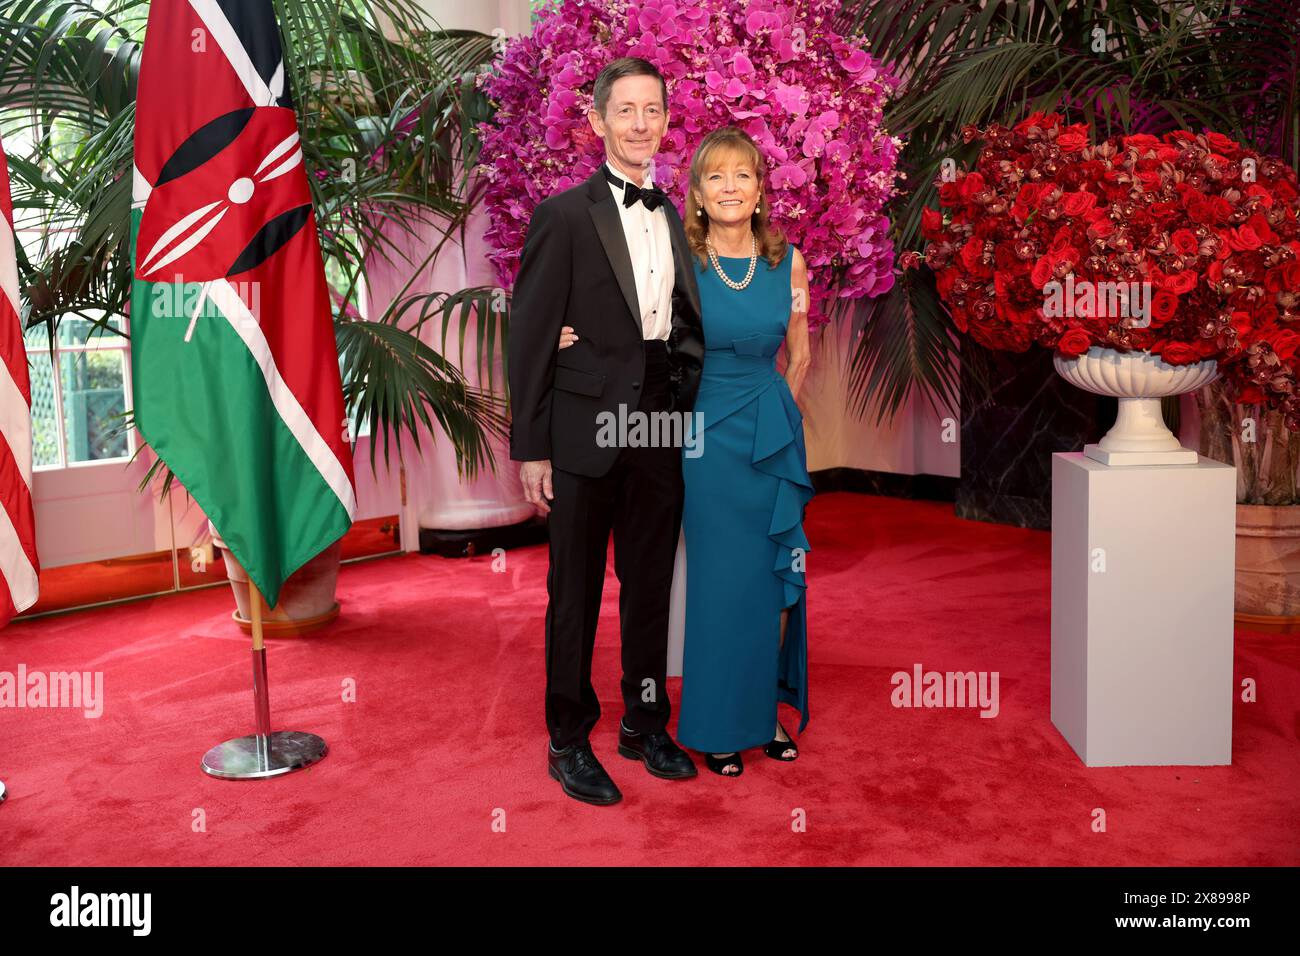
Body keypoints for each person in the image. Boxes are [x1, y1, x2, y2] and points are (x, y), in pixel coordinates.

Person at [560, 126, 813, 778]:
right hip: (700, 438)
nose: (731, 188)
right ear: (696, 194)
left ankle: (764, 717)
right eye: (715, 177)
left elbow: (802, 351)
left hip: (768, 434)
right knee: (718, 582)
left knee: (768, 581)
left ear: (760, 190)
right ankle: (717, 724)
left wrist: (783, 418)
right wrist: (568, 334)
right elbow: (631, 316)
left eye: (744, 176)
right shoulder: (684, 258)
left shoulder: (791, 260)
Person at [508, 57, 706, 806]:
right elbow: (529, 334)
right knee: (576, 590)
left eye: (652, 109)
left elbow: (684, 322)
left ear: (664, 119)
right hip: (583, 425)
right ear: (595, 121)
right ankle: (567, 737)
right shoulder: (561, 215)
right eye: (624, 110)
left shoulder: (675, 215)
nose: (640, 123)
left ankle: (645, 721)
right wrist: (531, 446)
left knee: (651, 583)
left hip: (658, 420)